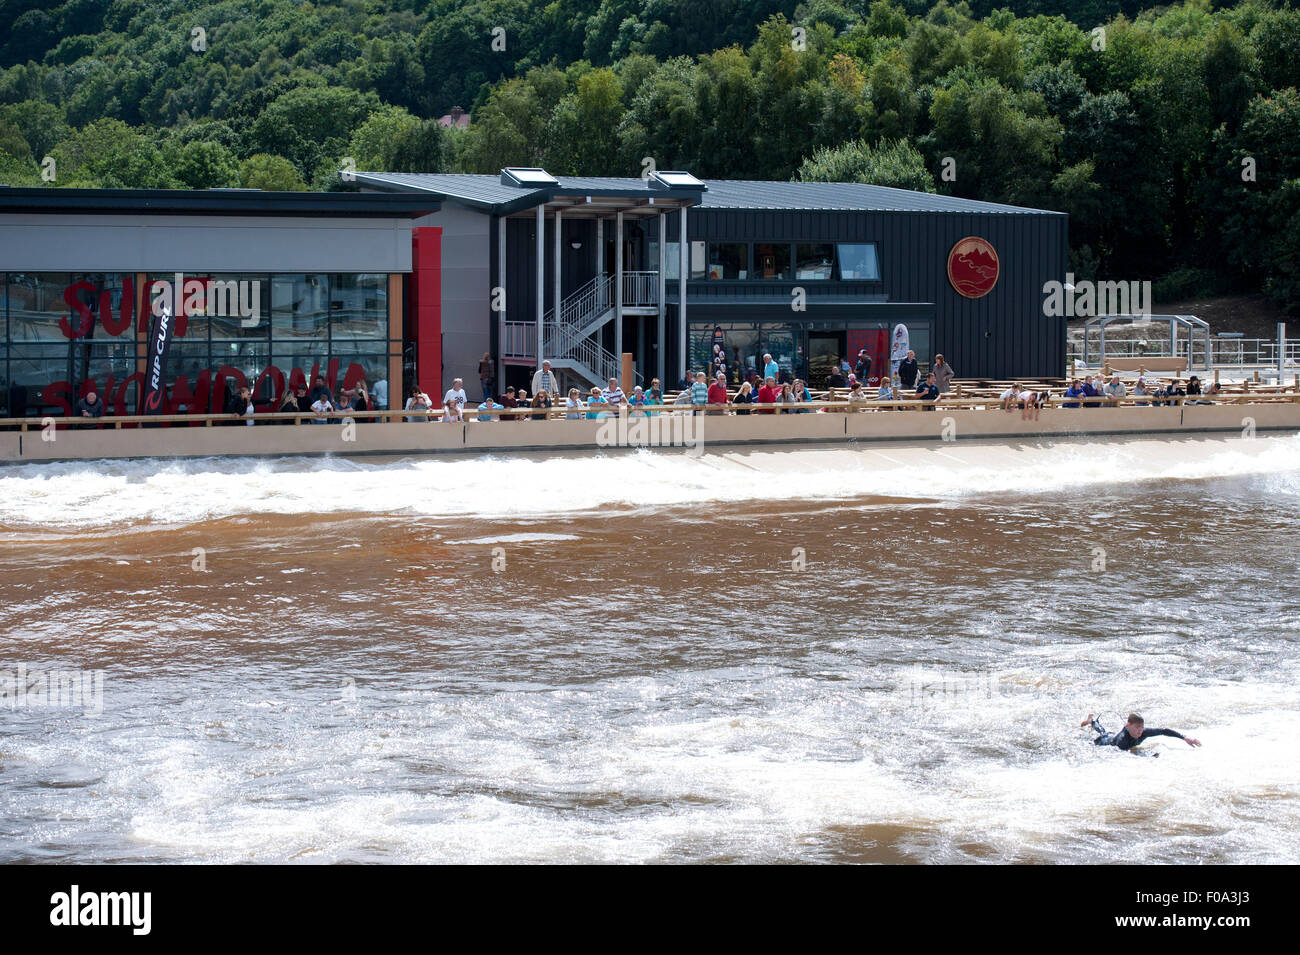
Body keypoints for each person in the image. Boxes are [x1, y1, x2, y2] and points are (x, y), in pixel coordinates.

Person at [1081, 713, 1201, 752]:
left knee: (1104, 731)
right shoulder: (1122, 740)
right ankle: (1091, 721)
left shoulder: (1143, 732)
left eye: (1142, 727)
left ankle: (1091, 721)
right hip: (1105, 742)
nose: (1140, 731)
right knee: (1102, 733)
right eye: (1137, 727)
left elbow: (1164, 731)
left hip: (1112, 736)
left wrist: (1185, 738)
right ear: (1128, 725)